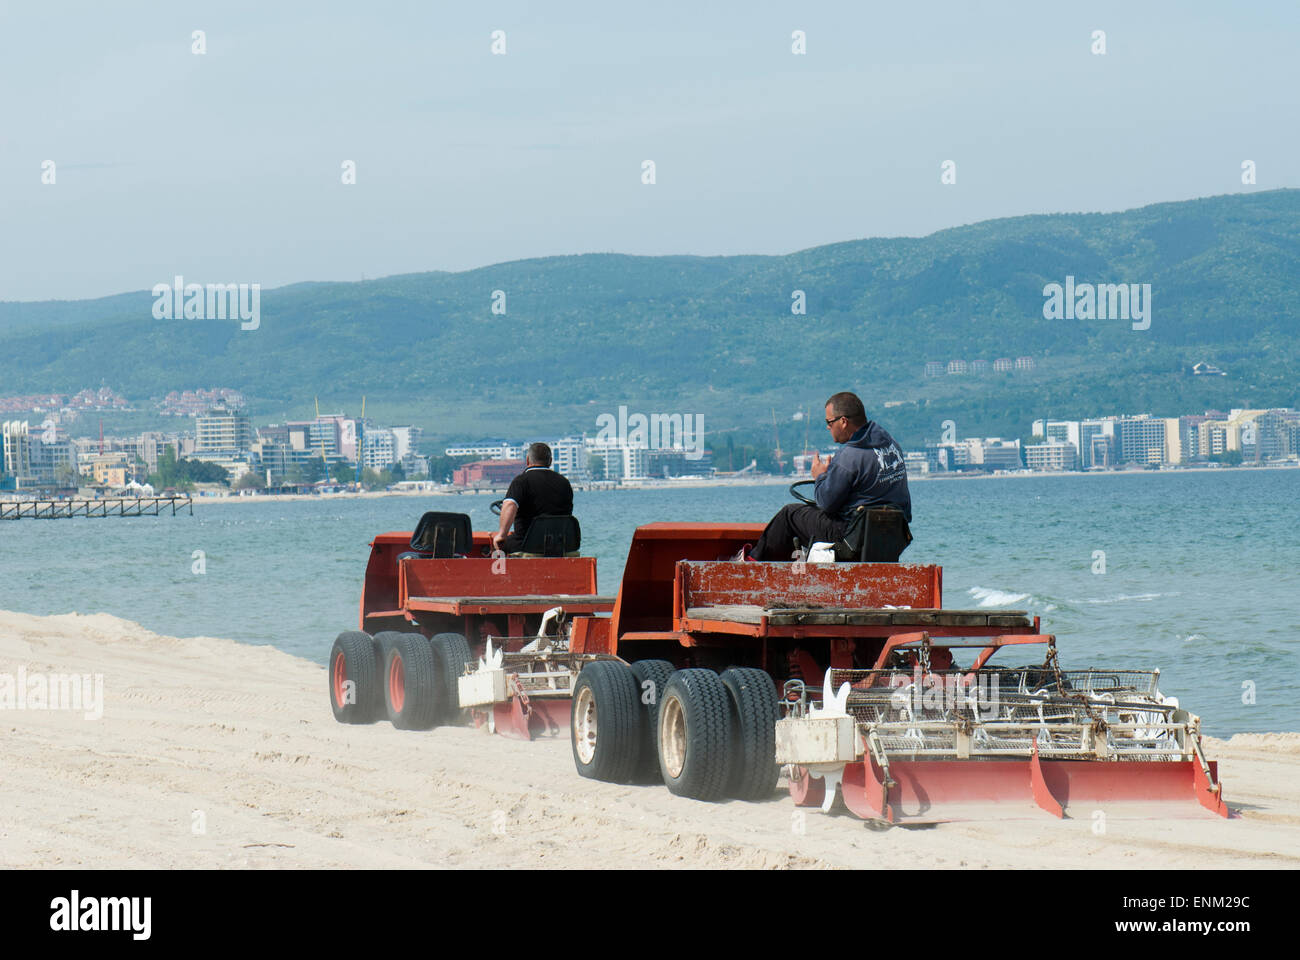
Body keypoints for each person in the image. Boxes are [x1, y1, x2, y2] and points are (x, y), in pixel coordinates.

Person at [749, 391, 911, 561]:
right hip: (892, 534)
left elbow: (826, 504)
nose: (827, 427)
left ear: (843, 422)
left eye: (829, 422)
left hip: (853, 537)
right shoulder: (892, 445)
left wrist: (820, 477)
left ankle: (752, 564)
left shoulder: (848, 457)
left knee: (789, 514)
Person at [492, 442, 574, 554]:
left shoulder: (521, 481)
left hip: (525, 545)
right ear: (550, 461)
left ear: (527, 460)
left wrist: (501, 535)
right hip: (561, 545)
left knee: (497, 546)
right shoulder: (564, 483)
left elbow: (510, 505)